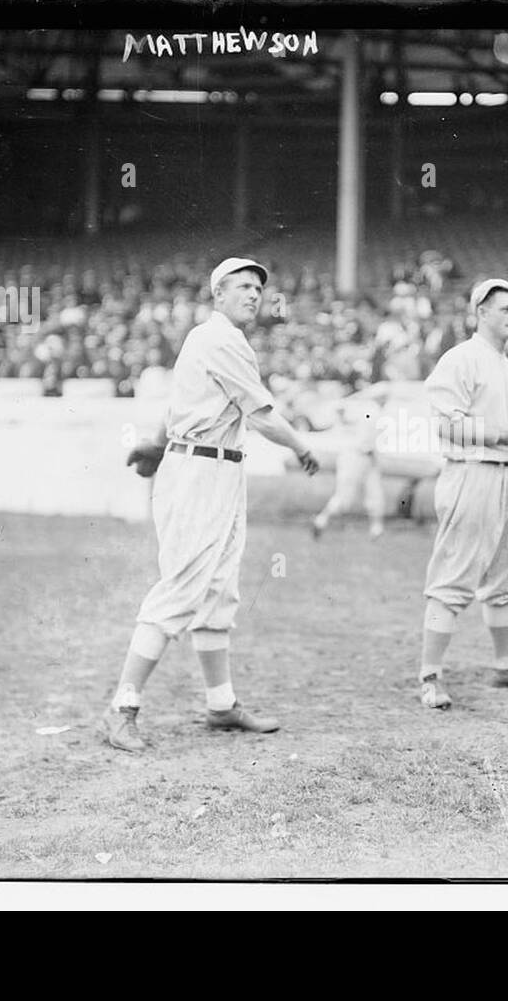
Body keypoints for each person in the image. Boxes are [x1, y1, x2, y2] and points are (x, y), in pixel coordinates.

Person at [103, 257, 320, 753]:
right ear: (217, 294)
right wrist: (302, 447)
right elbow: (262, 417)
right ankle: (122, 707)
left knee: (219, 592)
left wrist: (158, 445)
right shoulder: (220, 338)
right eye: (241, 286)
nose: (252, 294)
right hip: (199, 470)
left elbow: (178, 404)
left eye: (258, 288)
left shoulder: (212, 340)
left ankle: (220, 704)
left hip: (219, 467)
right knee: (181, 588)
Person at [417, 278, 508, 710]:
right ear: (481, 313)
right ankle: (430, 677)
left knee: (507, 576)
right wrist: (501, 433)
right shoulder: (461, 360)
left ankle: (505, 664)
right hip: (470, 474)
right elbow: (444, 424)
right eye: (505, 309)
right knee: (454, 575)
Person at [311, 387, 388, 540]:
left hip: (364, 456)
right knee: (346, 497)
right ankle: (321, 520)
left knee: (374, 491)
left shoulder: (360, 410)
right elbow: (366, 437)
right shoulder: (370, 411)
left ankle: (376, 528)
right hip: (356, 456)